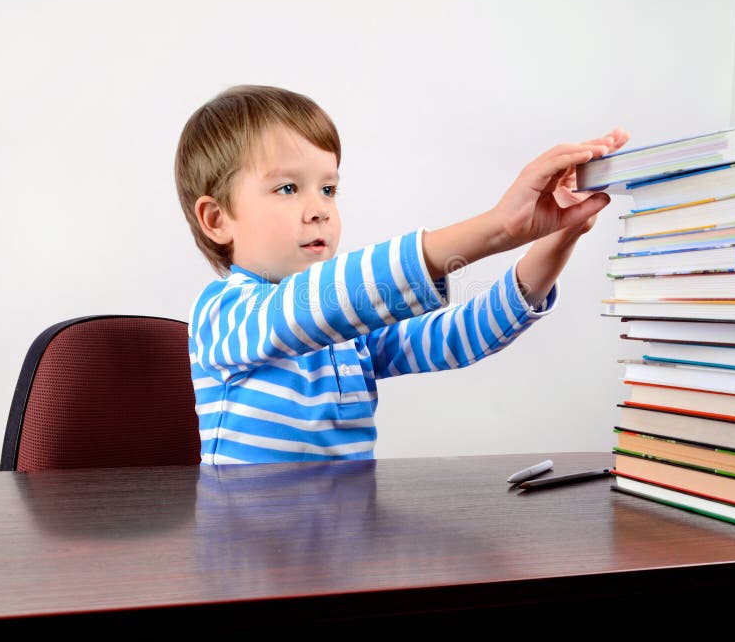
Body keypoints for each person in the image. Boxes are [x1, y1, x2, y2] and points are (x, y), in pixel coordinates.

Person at [174, 84, 629, 464]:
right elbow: (308, 309)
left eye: (328, 189)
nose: (319, 210)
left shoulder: (350, 332)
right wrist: (498, 227)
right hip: (249, 562)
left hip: (344, 554)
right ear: (216, 219)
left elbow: (459, 335)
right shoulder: (223, 315)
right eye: (288, 188)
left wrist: (557, 238)